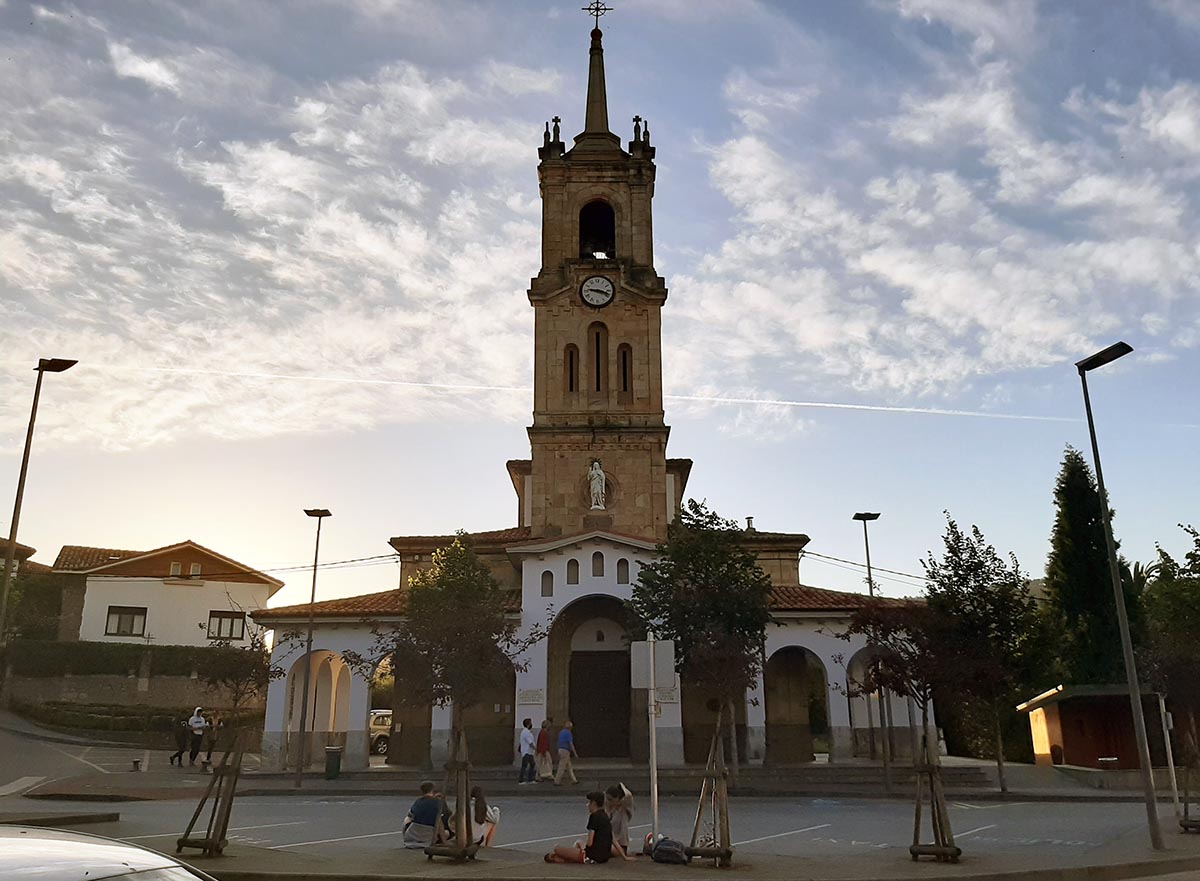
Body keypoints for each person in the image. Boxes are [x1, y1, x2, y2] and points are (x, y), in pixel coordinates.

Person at [544, 791, 612, 863]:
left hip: (592, 856)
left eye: (589, 802)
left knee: (556, 848)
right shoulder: (605, 815)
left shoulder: (594, 817)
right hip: (605, 856)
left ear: (594, 803)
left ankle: (562, 857)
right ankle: (568, 857)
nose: (587, 805)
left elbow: (590, 843)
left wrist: (583, 849)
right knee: (579, 842)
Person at [403, 781, 443, 849]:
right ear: (432, 790)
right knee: (447, 832)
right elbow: (440, 823)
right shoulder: (437, 802)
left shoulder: (418, 801)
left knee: (407, 818)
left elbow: (410, 816)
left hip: (414, 833)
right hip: (429, 833)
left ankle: (406, 838)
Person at [605, 783, 636, 860]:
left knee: (605, 849)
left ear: (618, 799)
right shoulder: (607, 810)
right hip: (607, 842)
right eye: (607, 799)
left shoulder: (624, 809)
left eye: (610, 799)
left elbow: (628, 795)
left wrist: (620, 786)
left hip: (620, 845)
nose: (608, 801)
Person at [554, 720, 578, 785]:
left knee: (569, 766)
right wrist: (575, 753)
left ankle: (574, 779)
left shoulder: (561, 732)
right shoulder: (568, 733)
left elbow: (558, 741)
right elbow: (570, 743)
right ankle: (557, 781)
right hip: (565, 750)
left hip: (560, 749)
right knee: (562, 766)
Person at [518, 718, 537, 784]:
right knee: (524, 766)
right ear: (528, 724)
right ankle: (521, 780)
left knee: (532, 764)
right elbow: (530, 742)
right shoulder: (526, 732)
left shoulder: (527, 732)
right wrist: (535, 749)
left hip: (529, 752)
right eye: (531, 723)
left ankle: (530, 779)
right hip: (526, 751)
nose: (532, 724)